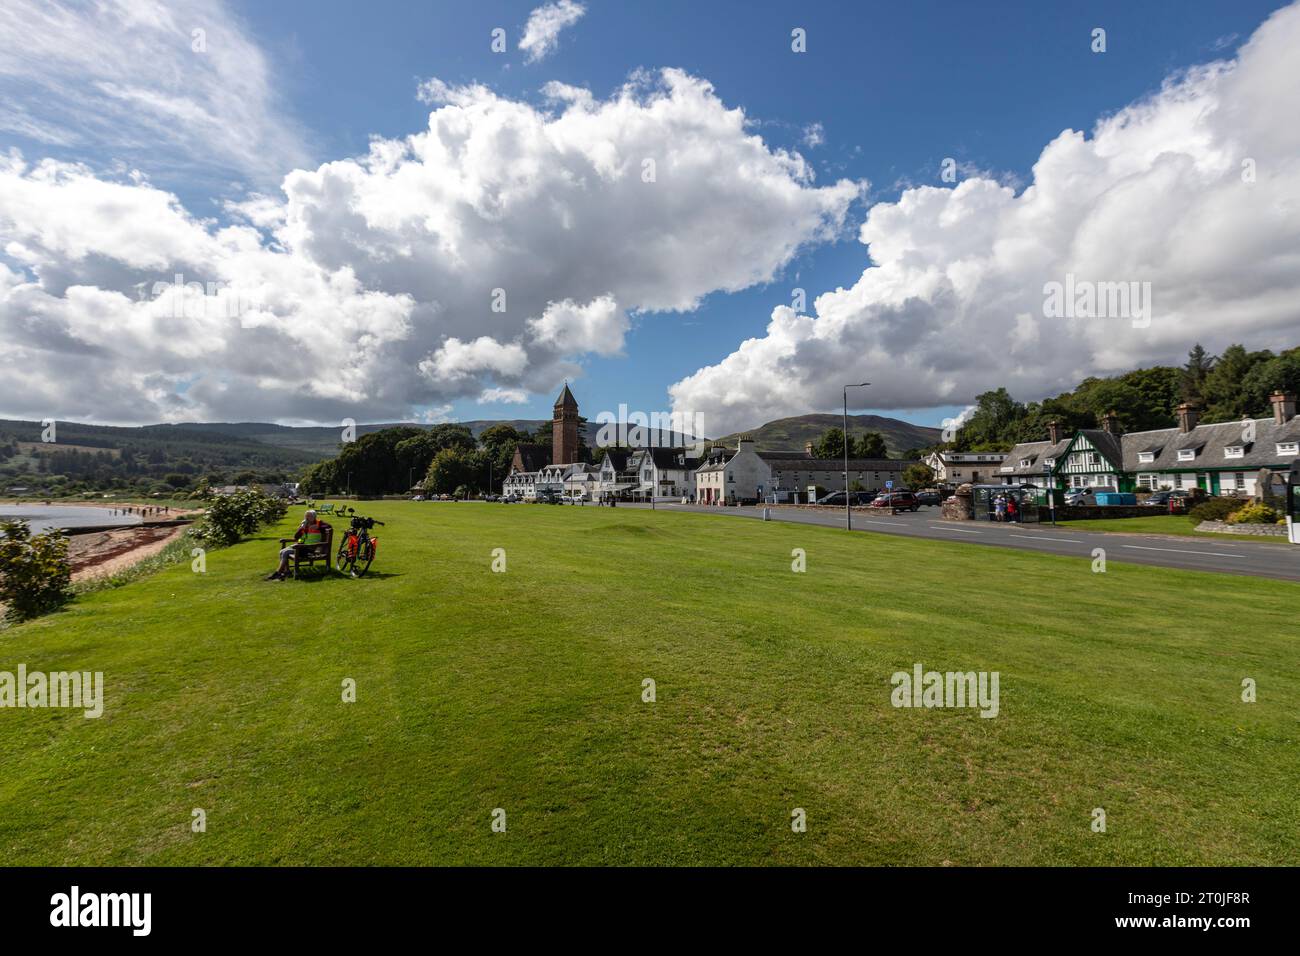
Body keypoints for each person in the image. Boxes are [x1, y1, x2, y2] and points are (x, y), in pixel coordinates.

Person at [266, 509, 326, 580]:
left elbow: (329, 527)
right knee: (282, 551)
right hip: (301, 547)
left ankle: (278, 572)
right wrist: (301, 528)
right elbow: (296, 537)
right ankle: (286, 571)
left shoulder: (319, 523)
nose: (307, 518)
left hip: (310, 549)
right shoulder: (305, 525)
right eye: (306, 516)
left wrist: (318, 526)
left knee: (285, 552)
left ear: (314, 517)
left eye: (309, 516)